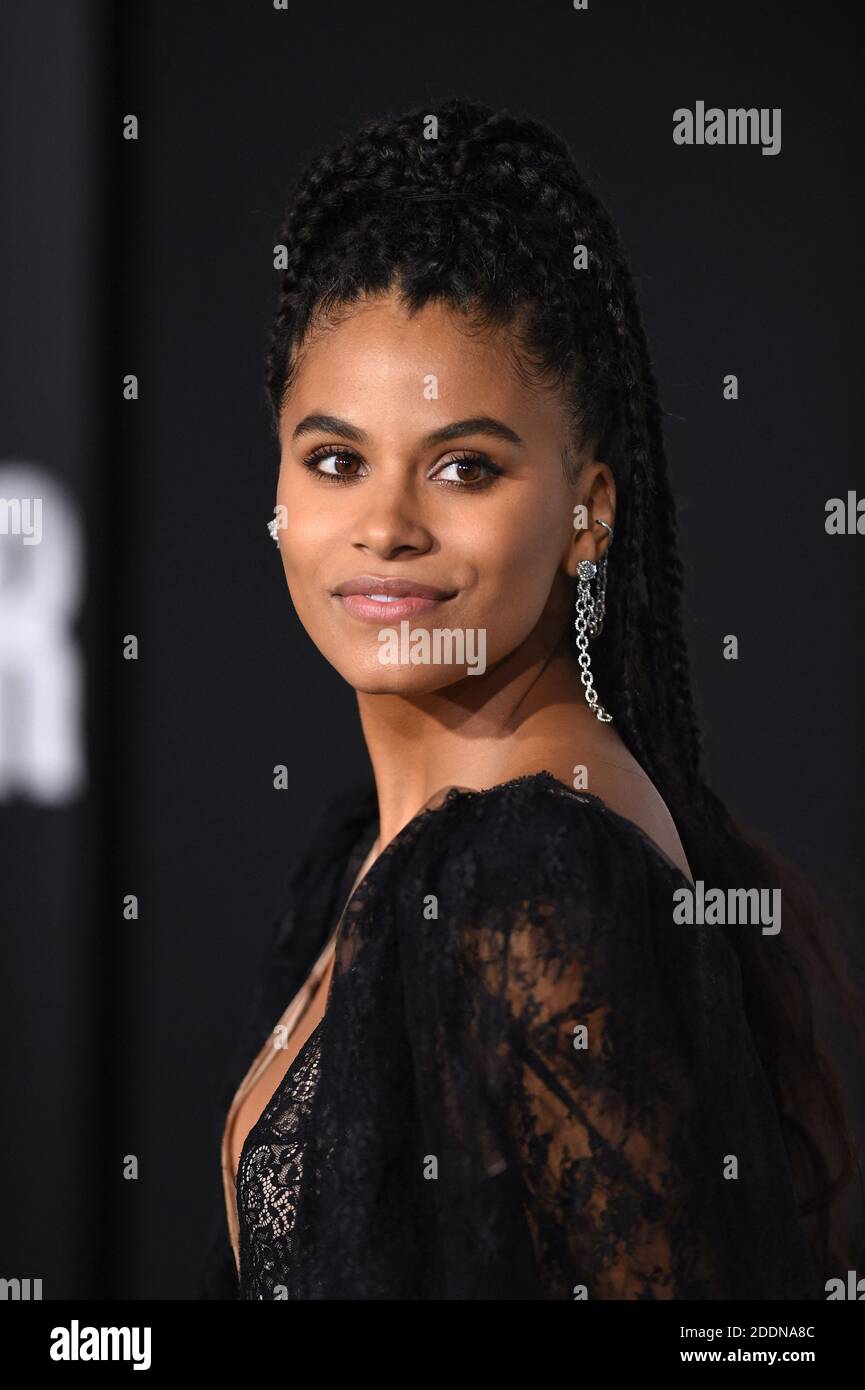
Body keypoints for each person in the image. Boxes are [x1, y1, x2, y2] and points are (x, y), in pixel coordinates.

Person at [200, 97, 863, 1300]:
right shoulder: (369, 846)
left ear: (587, 510)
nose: (387, 528)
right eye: (336, 459)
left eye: (464, 466)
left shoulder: (533, 879)